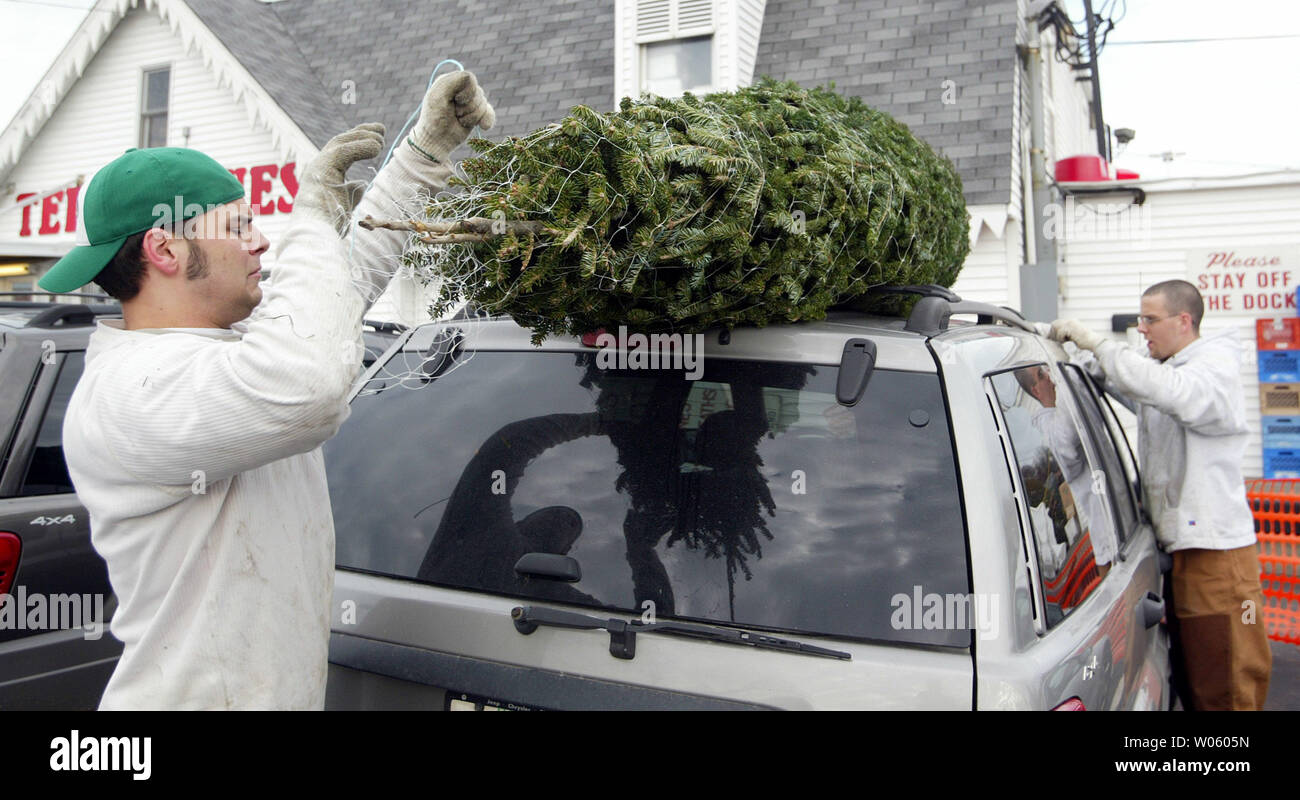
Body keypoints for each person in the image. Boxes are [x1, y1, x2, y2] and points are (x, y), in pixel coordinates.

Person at [36, 71, 495, 709]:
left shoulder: (222, 349)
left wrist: (425, 153)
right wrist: (308, 218)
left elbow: (339, 287)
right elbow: (309, 385)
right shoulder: (128, 393)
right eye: (238, 225)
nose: (259, 240)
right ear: (165, 249)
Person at [1050, 279, 1271, 711]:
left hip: (1217, 563)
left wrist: (1099, 343)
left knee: (1226, 684)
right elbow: (1138, 387)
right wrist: (1070, 354)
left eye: (1150, 320)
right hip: (1189, 555)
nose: (1142, 329)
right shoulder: (1172, 371)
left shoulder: (1210, 372)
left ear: (1184, 320)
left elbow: (1170, 393)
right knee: (1200, 681)